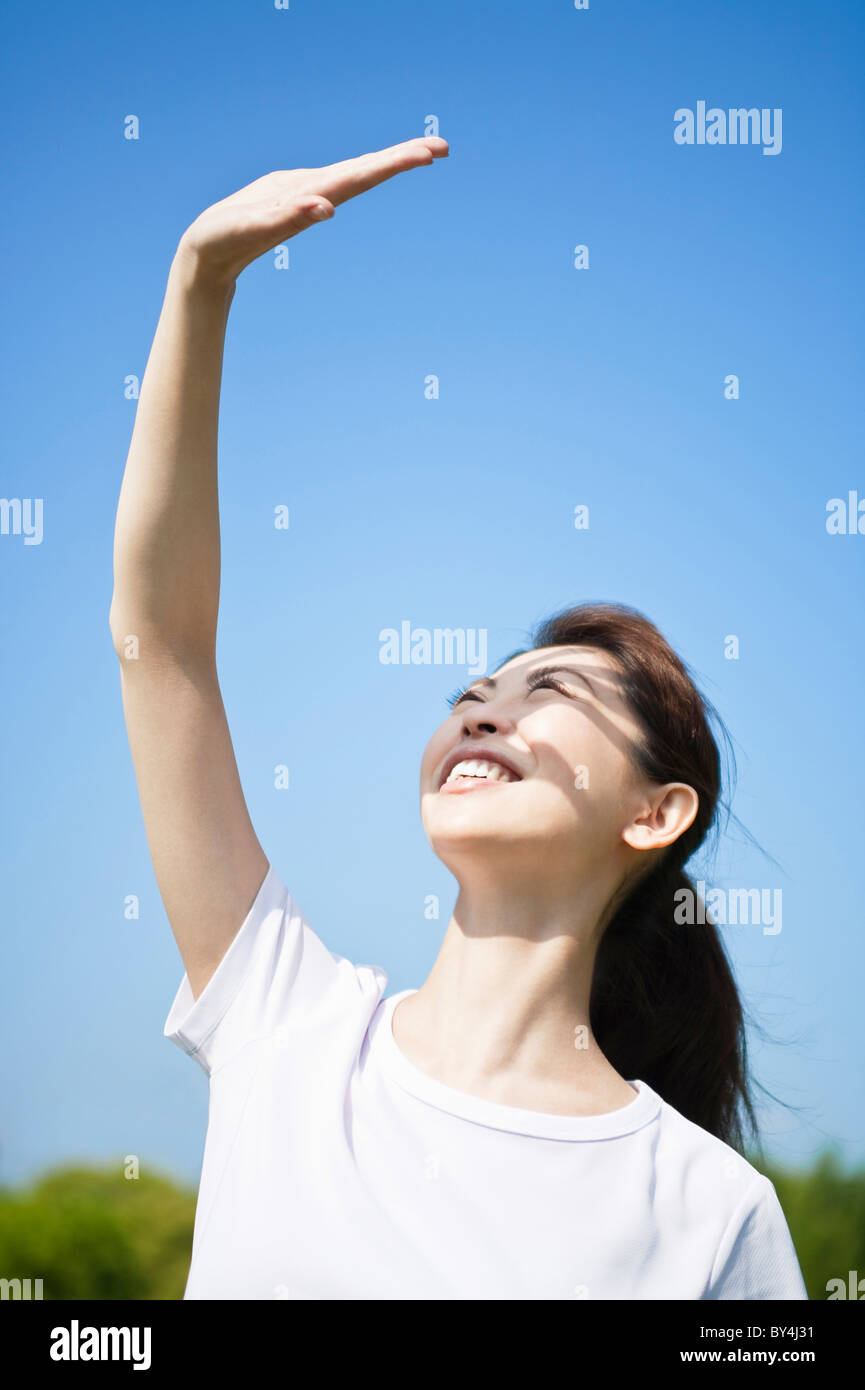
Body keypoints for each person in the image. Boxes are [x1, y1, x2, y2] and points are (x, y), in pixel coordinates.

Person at [110, 137, 807, 1300]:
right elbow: (161, 647)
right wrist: (201, 283)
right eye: (471, 695)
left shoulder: (712, 1212)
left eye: (550, 693)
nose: (484, 714)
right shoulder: (286, 1021)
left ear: (656, 812)